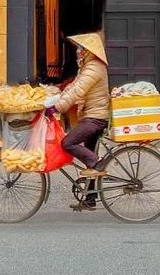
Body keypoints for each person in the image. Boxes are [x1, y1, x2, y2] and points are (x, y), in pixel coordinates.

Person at [44, 32, 110, 210]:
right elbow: (73, 87)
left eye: (81, 48)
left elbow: (77, 91)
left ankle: (98, 163)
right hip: (92, 115)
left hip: (95, 118)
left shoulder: (94, 68)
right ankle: (90, 199)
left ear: (89, 51)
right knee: (87, 154)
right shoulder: (88, 67)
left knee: (68, 142)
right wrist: (57, 93)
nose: (78, 51)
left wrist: (57, 108)